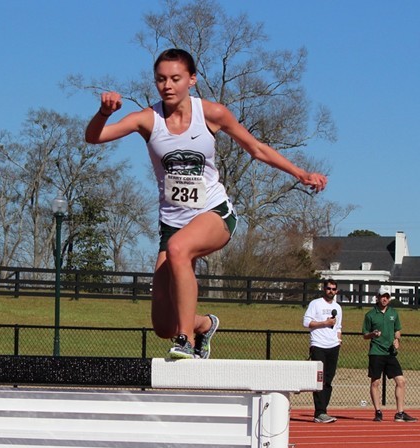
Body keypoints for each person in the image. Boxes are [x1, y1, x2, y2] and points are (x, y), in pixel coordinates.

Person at [84, 48, 327, 359]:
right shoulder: (148, 119)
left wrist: (300, 173)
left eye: (175, 78)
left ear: (192, 80)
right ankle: (201, 325)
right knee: (162, 325)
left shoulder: (212, 114)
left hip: (214, 213)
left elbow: (256, 148)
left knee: (178, 250)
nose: (167, 86)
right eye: (160, 79)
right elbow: (94, 137)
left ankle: (184, 341)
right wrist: (104, 113)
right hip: (173, 224)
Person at [363, 287, 418, 422]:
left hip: (390, 353)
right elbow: (365, 335)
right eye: (382, 296)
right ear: (377, 297)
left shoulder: (394, 313)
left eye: (387, 296)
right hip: (376, 352)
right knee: (375, 382)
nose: (385, 299)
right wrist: (372, 334)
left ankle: (400, 413)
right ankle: (378, 411)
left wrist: (397, 340)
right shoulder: (370, 315)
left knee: (401, 381)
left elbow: (397, 331)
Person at [303, 280, 342, 423]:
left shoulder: (338, 307)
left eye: (333, 289)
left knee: (329, 379)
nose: (331, 291)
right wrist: (324, 323)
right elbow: (306, 322)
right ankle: (319, 412)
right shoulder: (315, 304)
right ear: (324, 289)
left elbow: (338, 327)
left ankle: (323, 411)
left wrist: (339, 340)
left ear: (336, 291)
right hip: (318, 345)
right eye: (328, 288)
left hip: (333, 346)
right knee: (320, 379)